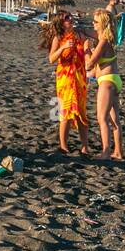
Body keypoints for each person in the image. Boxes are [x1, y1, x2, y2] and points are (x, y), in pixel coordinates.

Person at [40, 11, 90, 154]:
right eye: (67, 18)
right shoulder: (59, 38)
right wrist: (63, 47)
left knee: (81, 112)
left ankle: (85, 147)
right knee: (65, 112)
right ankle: (63, 146)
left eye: (71, 16)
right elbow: (51, 59)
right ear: (61, 23)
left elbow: (97, 38)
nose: (71, 19)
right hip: (65, 80)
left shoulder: (79, 34)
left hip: (80, 78)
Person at [87, 9, 124, 160]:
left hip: (107, 82)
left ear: (102, 23)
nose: (93, 24)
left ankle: (106, 152)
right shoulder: (108, 39)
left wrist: (86, 50)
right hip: (114, 80)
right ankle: (118, 152)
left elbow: (89, 65)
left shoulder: (103, 42)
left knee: (102, 118)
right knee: (115, 120)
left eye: (95, 22)